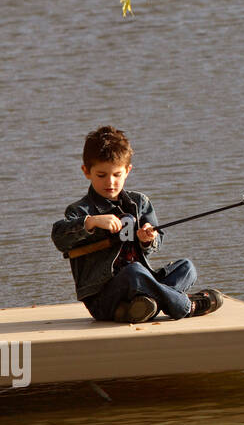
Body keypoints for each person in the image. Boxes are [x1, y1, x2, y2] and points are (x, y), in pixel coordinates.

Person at [51, 125, 224, 323]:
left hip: (141, 283)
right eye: (101, 175)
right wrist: (91, 222)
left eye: (117, 175)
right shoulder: (80, 210)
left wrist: (147, 240)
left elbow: (154, 245)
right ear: (86, 171)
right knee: (134, 272)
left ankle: (142, 306)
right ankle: (186, 306)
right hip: (104, 299)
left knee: (187, 267)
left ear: (127, 171)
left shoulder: (139, 203)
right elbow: (59, 238)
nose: (110, 182)